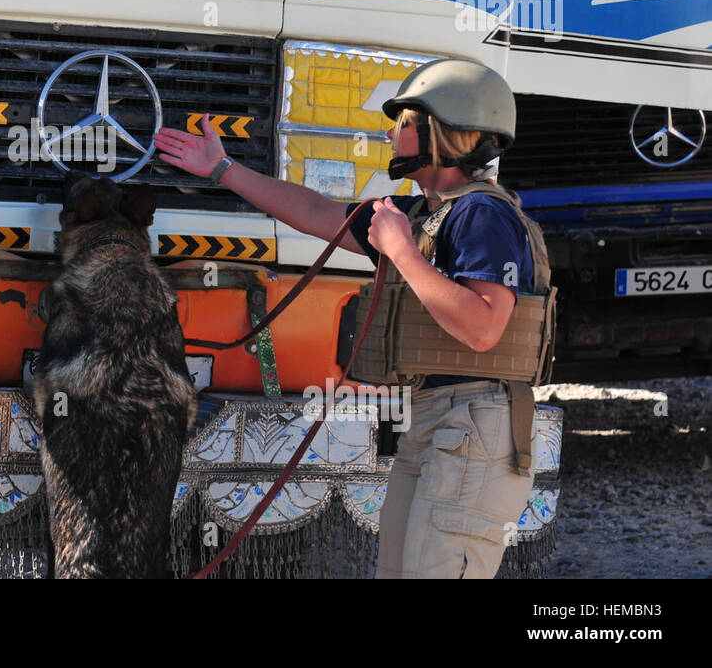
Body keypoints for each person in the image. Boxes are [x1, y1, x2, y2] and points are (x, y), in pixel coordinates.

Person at [153, 58, 541, 579]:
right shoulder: (431, 216)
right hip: (438, 419)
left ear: (441, 133)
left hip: (476, 422)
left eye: (403, 122)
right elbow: (316, 214)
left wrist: (401, 252)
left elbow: (483, 326)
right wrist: (223, 169)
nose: (390, 132)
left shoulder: (481, 215)